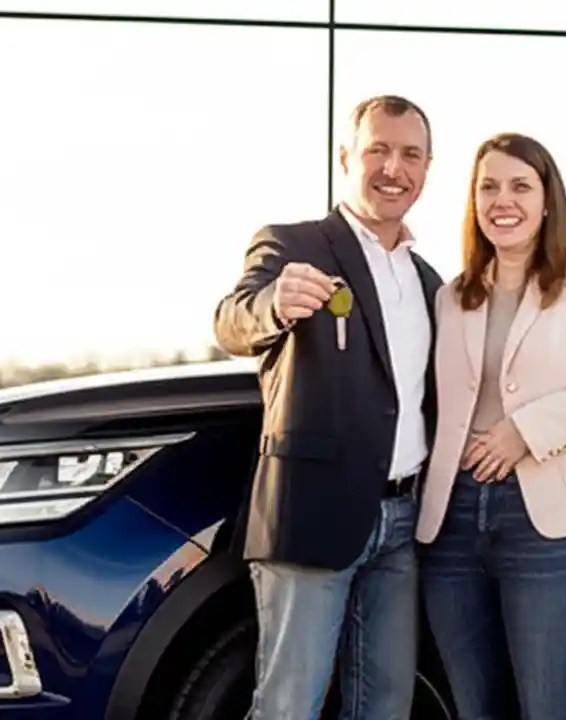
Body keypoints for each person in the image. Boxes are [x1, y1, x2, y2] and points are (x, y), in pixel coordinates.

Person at [213, 94, 442, 720]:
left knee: (386, 706)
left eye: (410, 155)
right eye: (378, 150)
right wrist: (275, 303)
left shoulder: (430, 282)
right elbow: (232, 320)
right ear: (346, 158)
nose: (393, 168)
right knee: (289, 705)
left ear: (426, 170)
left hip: (402, 525)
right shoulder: (292, 245)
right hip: (311, 517)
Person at [415, 132, 566, 720]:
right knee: (476, 709)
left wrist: (526, 430)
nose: (503, 200)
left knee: (549, 708)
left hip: (553, 526)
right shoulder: (452, 296)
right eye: (488, 187)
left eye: (520, 185)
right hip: (455, 523)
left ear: (547, 200)